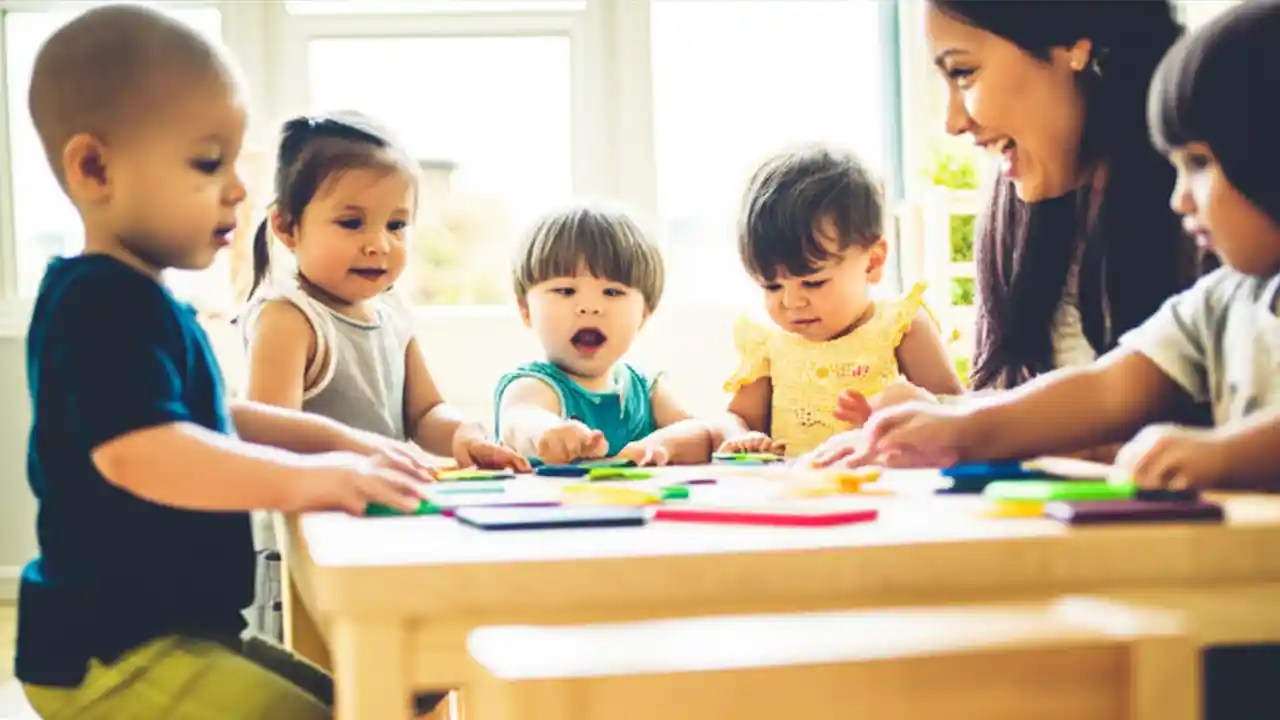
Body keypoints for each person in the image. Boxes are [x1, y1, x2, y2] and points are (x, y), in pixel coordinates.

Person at [16, 7, 433, 719]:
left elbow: (220, 419)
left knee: (375, 701)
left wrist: (351, 444)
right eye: (209, 164)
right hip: (115, 652)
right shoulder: (101, 303)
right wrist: (316, 479)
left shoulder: (137, 300)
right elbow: (144, 453)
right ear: (94, 168)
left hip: (183, 633)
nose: (238, 189)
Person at [814, 0, 1280, 495]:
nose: (1179, 196)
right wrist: (954, 429)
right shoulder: (1215, 303)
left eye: (1201, 163)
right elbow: (1105, 388)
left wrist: (1225, 454)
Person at [243, 111, 527, 472]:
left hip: (378, 507)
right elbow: (269, 436)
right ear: (287, 228)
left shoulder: (391, 311)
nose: (378, 244)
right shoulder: (289, 318)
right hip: (314, 517)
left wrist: (462, 435)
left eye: (396, 225)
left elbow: (424, 413)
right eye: (351, 223)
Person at [715, 144, 962, 457]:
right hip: (792, 492)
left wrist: (902, 406)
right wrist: (741, 436)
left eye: (813, 282)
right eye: (772, 286)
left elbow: (955, 412)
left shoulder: (899, 325)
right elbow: (739, 418)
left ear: (872, 262)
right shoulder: (767, 343)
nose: (791, 302)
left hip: (879, 486)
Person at [495, 203, 712, 466]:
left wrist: (657, 445)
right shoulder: (534, 385)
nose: (590, 307)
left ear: (645, 314)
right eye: (565, 291)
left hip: (636, 507)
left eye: (612, 292)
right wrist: (547, 432)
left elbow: (699, 432)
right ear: (526, 310)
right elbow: (519, 420)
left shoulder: (646, 388)